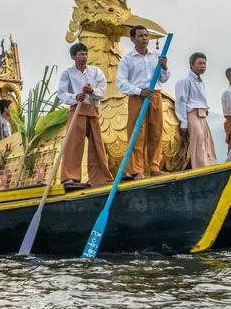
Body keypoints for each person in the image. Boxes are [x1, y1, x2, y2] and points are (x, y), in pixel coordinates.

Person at [116, 25, 169, 179]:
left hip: (155, 96)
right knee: (137, 133)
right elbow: (121, 83)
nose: (144, 38)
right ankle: (136, 170)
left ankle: (154, 167)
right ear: (133, 39)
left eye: (146, 35)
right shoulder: (127, 59)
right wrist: (140, 91)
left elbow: (164, 79)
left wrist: (165, 67)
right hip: (137, 97)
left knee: (156, 132)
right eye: (140, 36)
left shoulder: (157, 56)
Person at [57, 42, 113, 188]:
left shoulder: (95, 71)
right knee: (74, 143)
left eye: (86, 54)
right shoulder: (67, 73)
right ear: (73, 57)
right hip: (77, 110)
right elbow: (61, 93)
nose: (84, 57)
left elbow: (102, 90)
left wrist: (92, 91)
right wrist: (75, 97)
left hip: (92, 110)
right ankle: (70, 177)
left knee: (97, 144)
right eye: (81, 54)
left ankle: (101, 177)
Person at [175, 52, 217, 169]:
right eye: (199, 63)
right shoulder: (184, 80)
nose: (202, 66)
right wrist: (183, 121)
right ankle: (200, 167)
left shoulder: (200, 81)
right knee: (198, 140)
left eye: (204, 63)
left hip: (202, 114)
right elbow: (181, 101)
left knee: (207, 140)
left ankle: (210, 165)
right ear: (191, 65)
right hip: (192, 114)